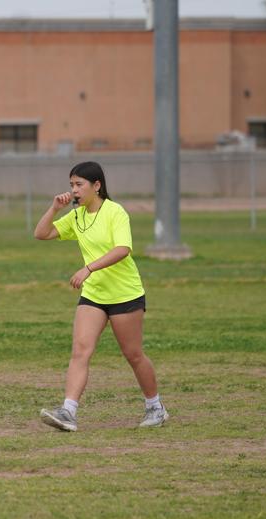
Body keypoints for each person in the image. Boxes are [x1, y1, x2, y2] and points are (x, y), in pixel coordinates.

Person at [33, 160, 167, 431]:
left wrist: (88, 268)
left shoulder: (115, 212)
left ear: (97, 186)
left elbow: (123, 249)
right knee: (80, 351)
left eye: (79, 184)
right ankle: (68, 411)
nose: (74, 190)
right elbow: (41, 233)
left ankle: (156, 407)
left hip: (124, 294)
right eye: (71, 185)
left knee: (133, 354)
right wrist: (55, 208)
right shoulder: (76, 215)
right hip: (94, 296)